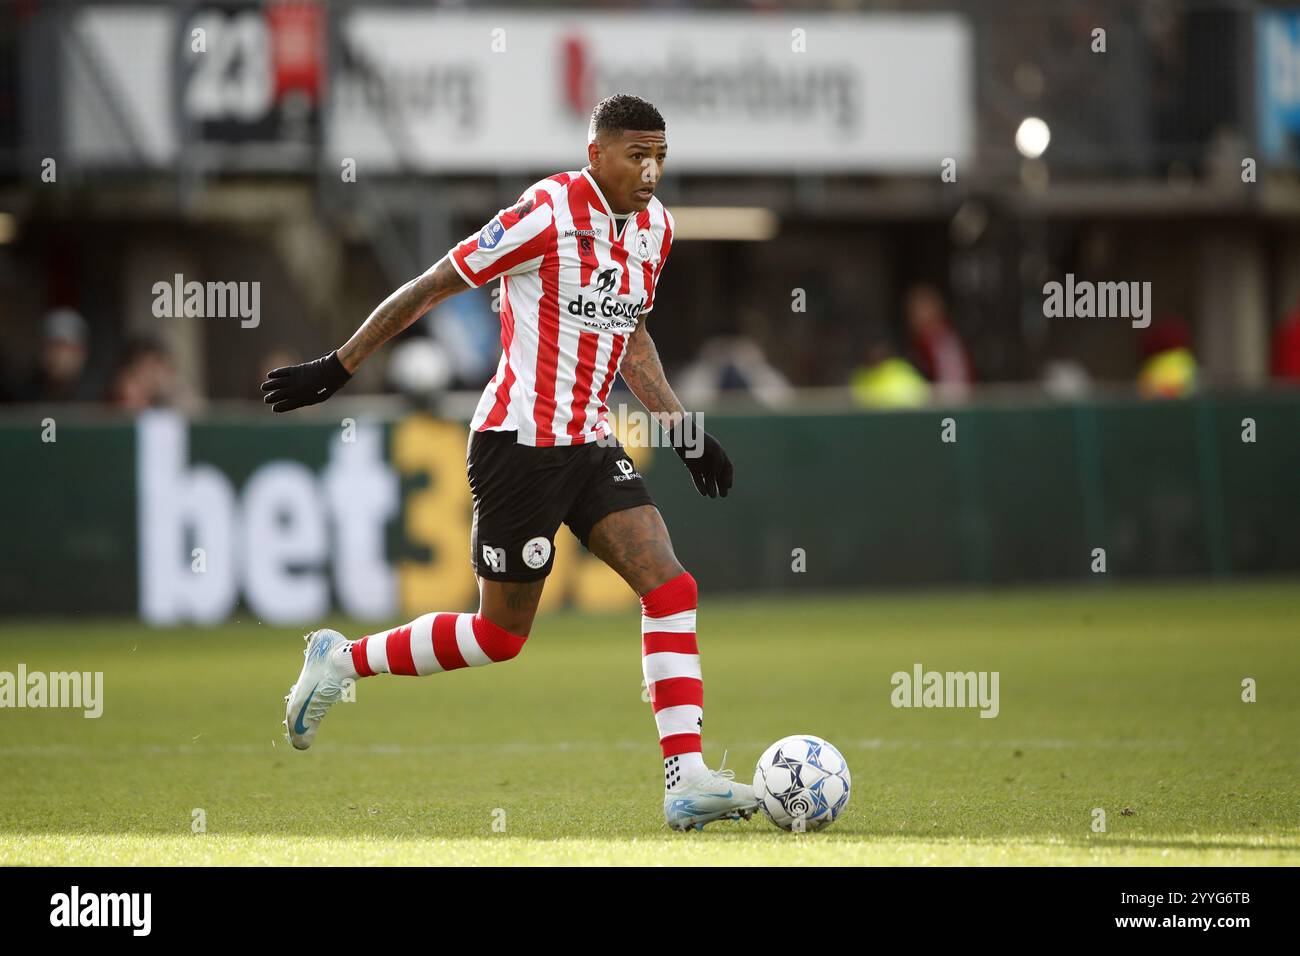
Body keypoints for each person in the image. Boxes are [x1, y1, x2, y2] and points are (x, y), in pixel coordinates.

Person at [260, 94, 755, 831]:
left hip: (587, 441)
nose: (651, 172)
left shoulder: (657, 229)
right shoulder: (545, 214)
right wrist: (338, 365)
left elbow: (635, 332)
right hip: (517, 446)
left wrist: (683, 431)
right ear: (596, 154)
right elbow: (433, 284)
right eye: (636, 156)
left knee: (670, 584)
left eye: (661, 157)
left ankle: (685, 781)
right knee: (499, 636)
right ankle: (340, 661)